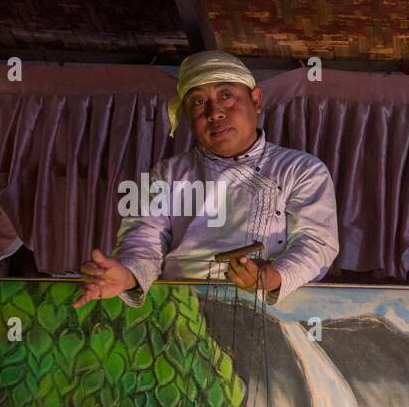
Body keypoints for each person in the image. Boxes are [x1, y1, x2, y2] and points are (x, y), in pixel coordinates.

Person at [74, 50, 339, 309]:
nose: (214, 112)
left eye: (226, 96)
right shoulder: (167, 175)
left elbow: (316, 243)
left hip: (267, 308)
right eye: (198, 102)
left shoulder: (301, 170)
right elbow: (143, 239)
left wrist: (271, 277)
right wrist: (129, 274)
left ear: (256, 99)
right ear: (188, 117)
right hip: (180, 305)